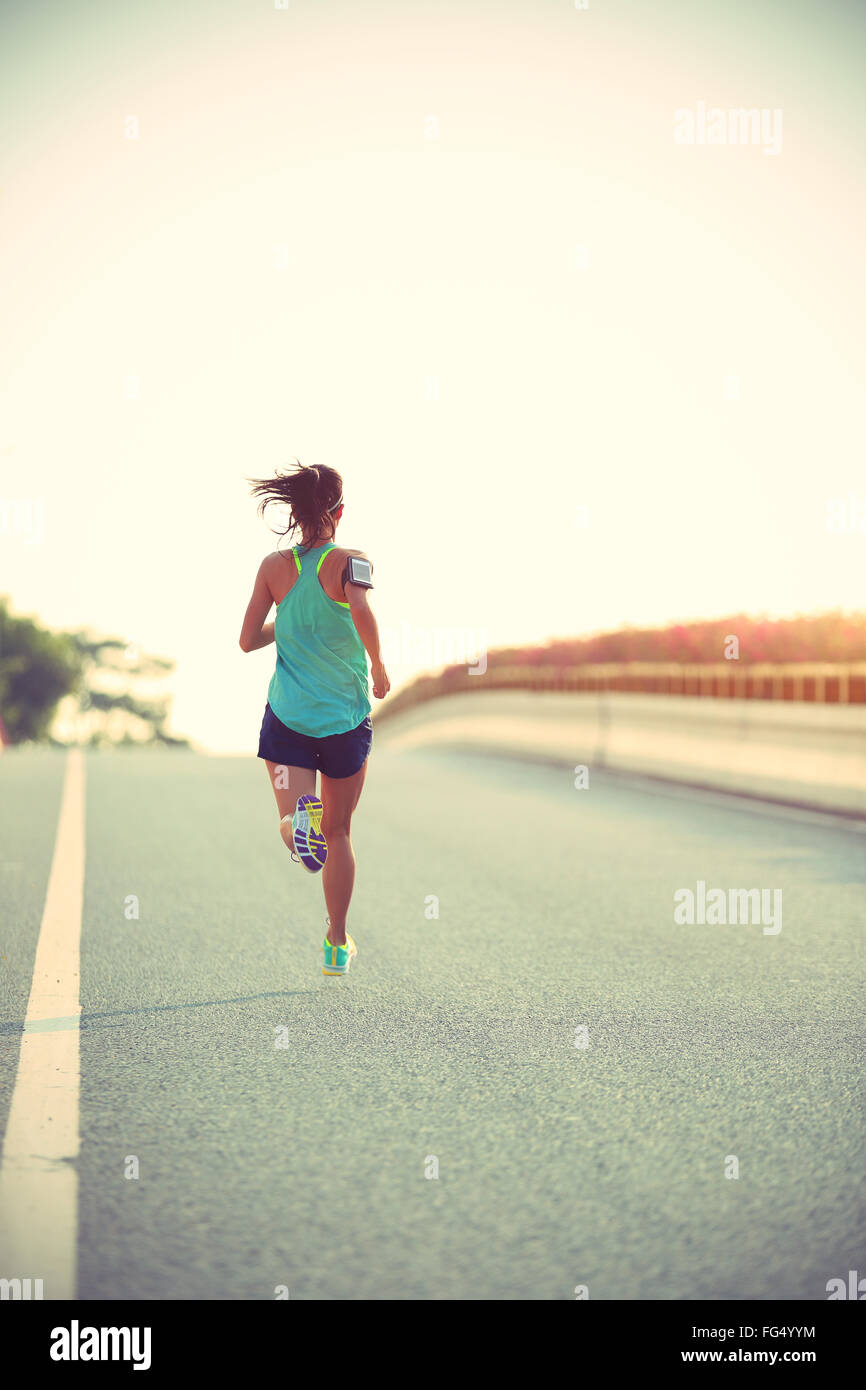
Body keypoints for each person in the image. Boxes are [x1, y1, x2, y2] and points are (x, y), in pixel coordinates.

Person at [239, 462, 390, 975]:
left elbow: (246, 640)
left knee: (298, 823)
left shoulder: (272, 567)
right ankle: (336, 940)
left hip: (286, 720)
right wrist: (379, 665)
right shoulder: (352, 561)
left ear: (296, 513)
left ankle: (293, 826)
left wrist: (289, 618)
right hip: (343, 721)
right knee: (340, 832)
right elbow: (362, 611)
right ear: (339, 512)